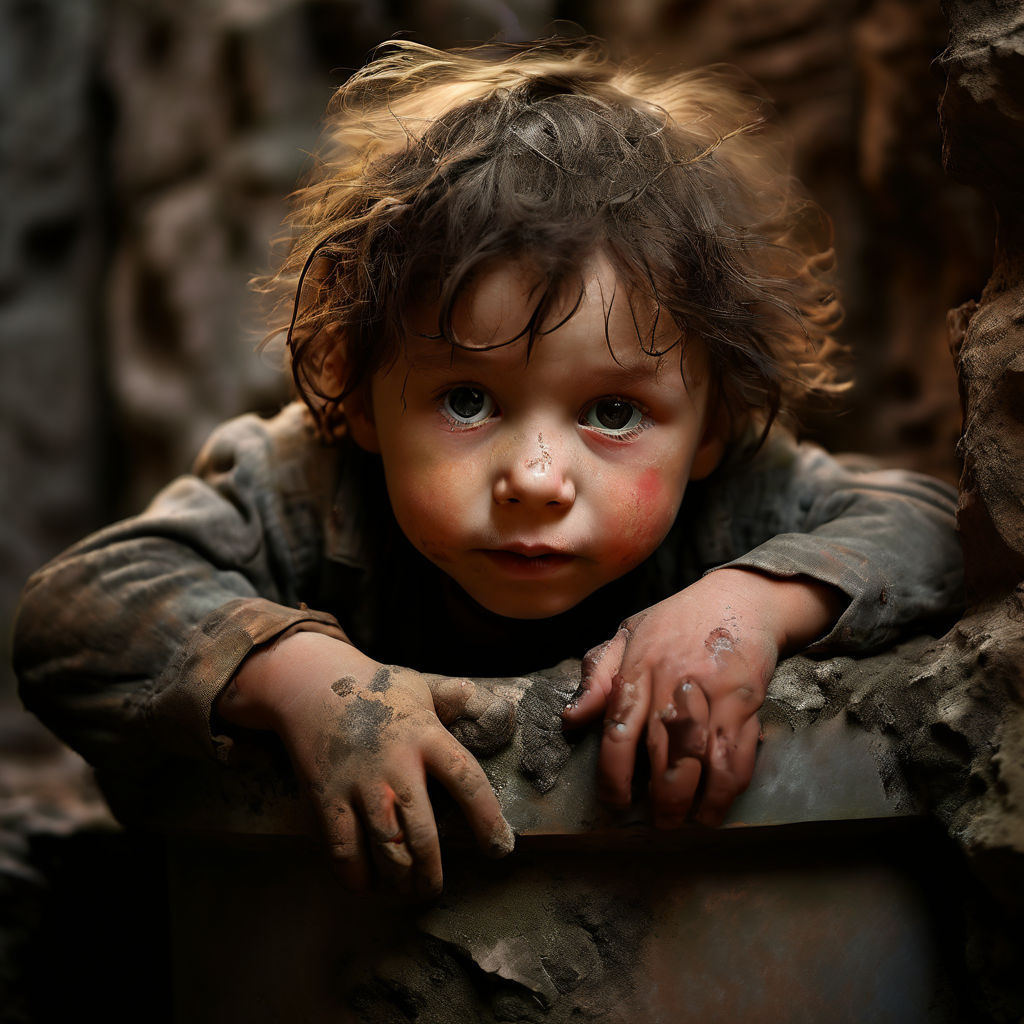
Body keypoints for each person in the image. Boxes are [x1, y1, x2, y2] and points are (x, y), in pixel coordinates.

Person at [14, 37, 963, 900]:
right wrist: (305, 680)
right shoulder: (308, 483)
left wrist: (750, 606)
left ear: (713, 427)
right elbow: (77, 611)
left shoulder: (738, 490)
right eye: (468, 400)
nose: (538, 479)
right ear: (358, 395)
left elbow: (934, 526)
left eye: (614, 412)